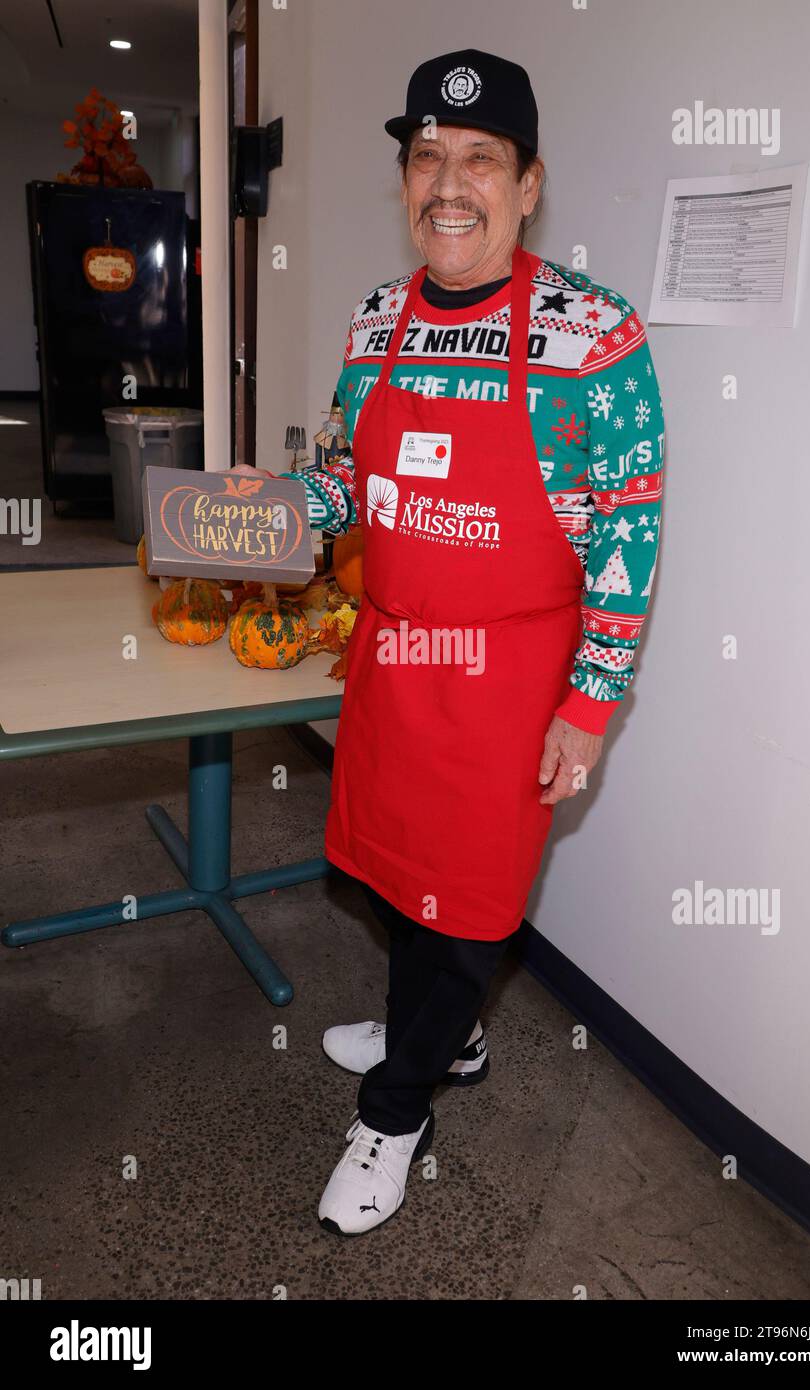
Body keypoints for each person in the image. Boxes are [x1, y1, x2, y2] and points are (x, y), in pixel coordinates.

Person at [283, 48, 665, 1235]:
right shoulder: (375, 316)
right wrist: (273, 507)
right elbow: (346, 478)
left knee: (469, 909)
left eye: (480, 161)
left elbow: (626, 535)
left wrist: (588, 706)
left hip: (506, 681)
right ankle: (444, 1038)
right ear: (406, 179)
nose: (450, 184)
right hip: (396, 662)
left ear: (527, 182)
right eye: (427, 159)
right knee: (390, 874)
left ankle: (397, 1112)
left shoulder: (591, 335)